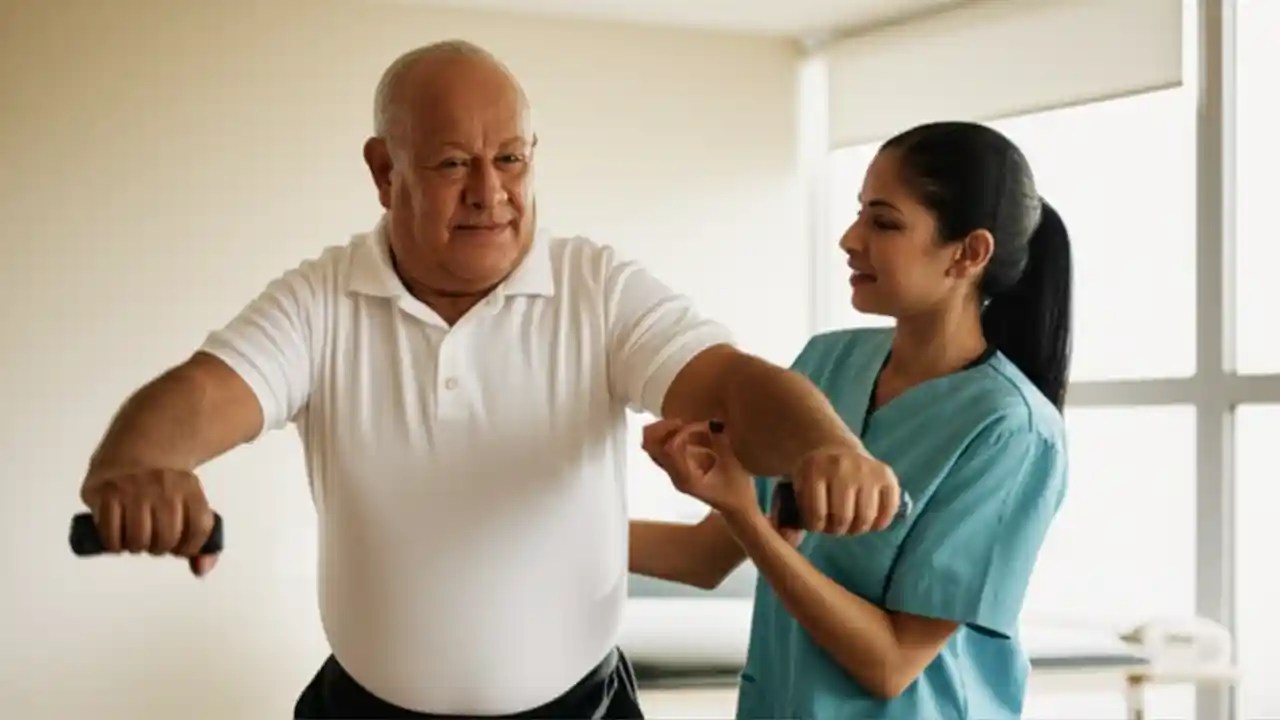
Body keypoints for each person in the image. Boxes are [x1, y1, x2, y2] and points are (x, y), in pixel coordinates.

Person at [74, 39, 903, 719]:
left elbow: (730, 386)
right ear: (382, 169)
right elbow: (207, 392)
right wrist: (137, 461)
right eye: (450, 164)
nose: (490, 193)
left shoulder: (598, 288)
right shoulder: (320, 300)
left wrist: (826, 448)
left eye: (510, 157)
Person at [631, 120, 1072, 720]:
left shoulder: (1012, 431)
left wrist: (745, 515)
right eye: (860, 212)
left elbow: (891, 664)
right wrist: (533, 535)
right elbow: (705, 557)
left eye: (884, 222)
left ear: (969, 253)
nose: (849, 237)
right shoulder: (827, 361)